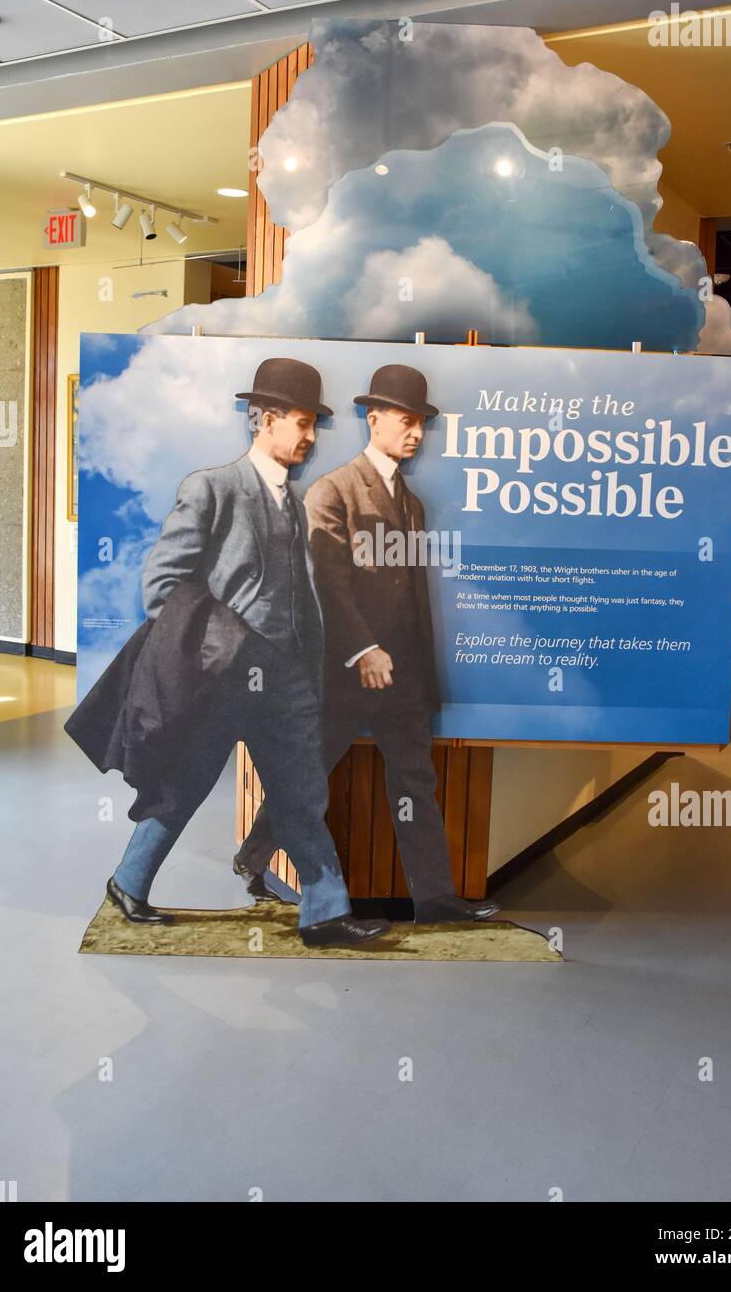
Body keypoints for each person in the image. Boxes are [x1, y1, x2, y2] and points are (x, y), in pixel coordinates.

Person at [91, 357, 390, 949]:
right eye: (301, 423)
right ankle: (128, 882)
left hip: (287, 680)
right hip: (220, 679)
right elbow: (162, 585)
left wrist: (308, 665)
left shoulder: (292, 502)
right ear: (262, 419)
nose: (309, 438)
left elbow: (299, 594)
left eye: (313, 426)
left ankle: (325, 914)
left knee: (302, 793)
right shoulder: (211, 487)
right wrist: (218, 646)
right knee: (185, 784)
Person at [236, 363, 499, 925]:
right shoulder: (331, 492)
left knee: (415, 784)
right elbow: (326, 582)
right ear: (373, 419)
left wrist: (414, 669)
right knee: (307, 777)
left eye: (421, 424)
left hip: (403, 679)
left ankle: (434, 899)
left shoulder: (413, 503)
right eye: (406, 420)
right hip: (343, 673)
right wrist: (363, 650)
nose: (415, 433)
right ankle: (254, 857)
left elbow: (410, 597)